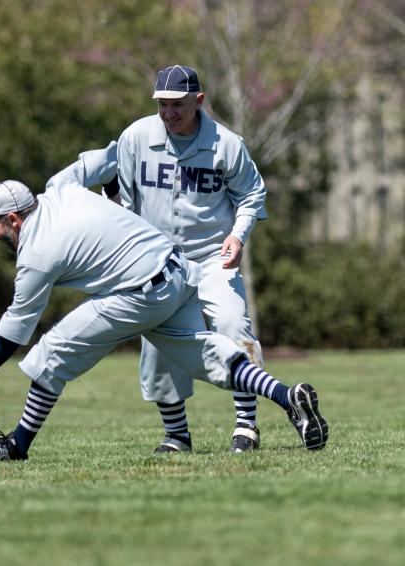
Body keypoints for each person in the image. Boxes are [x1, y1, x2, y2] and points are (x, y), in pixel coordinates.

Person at [0, 144, 327, 461]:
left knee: (53, 349)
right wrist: (115, 196)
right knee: (205, 356)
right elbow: (111, 156)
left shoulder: (36, 254)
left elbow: (14, 330)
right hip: (179, 270)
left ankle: (16, 446)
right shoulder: (61, 186)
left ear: (15, 219)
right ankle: (287, 397)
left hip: (142, 290)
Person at [111, 64, 271, 454]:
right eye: (162, 105)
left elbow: (252, 194)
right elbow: (121, 200)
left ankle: (246, 426)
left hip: (212, 256)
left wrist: (238, 234)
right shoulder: (135, 138)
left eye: (177, 105)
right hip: (158, 262)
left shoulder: (226, 143)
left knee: (234, 324)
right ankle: (177, 435)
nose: (168, 114)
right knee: (160, 345)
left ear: (199, 101)